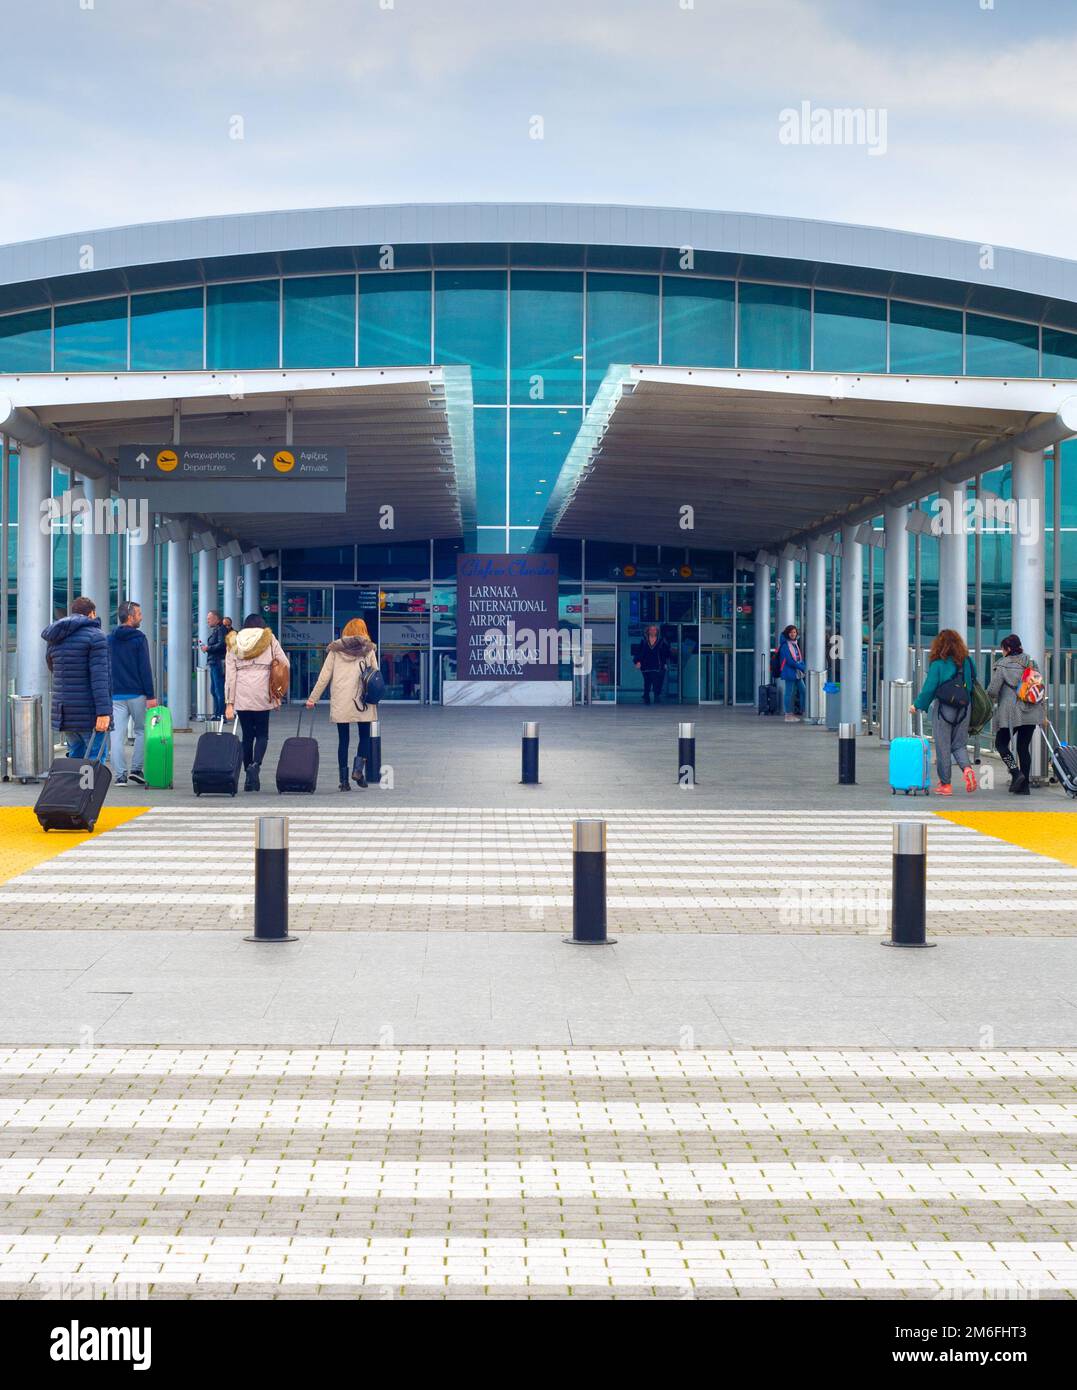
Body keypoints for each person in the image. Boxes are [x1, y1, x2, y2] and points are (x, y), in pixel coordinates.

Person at [305, 618, 380, 790]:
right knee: (364, 736)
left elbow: (324, 676)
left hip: (341, 699)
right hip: (362, 699)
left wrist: (312, 699)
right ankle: (358, 770)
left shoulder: (335, 650)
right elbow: (376, 676)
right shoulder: (368, 650)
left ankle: (344, 781)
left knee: (343, 739)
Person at [224, 614, 289, 791]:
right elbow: (284, 662)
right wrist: (277, 688)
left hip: (242, 692)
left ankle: (248, 777)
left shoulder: (234, 641)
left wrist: (229, 702)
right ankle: (256, 766)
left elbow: (230, 675)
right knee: (262, 734)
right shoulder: (268, 638)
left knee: (247, 736)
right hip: (262, 691)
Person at [41, 596, 112, 759]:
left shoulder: (55, 637)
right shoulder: (96, 636)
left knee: (75, 757)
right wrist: (103, 712)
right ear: (92, 614)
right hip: (89, 712)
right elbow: (100, 678)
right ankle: (90, 786)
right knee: (94, 758)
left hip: (65, 711)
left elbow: (52, 666)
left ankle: (74, 785)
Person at [911, 628, 978, 796]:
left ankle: (946, 785)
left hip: (945, 708)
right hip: (965, 706)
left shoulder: (938, 664)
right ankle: (967, 769)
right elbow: (974, 680)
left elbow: (929, 688)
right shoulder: (968, 662)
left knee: (943, 746)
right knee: (959, 744)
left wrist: (917, 705)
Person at [987, 633, 1045, 796]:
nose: (1002, 652)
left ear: (1007, 649)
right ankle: (1024, 786)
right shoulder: (1031, 663)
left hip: (1010, 712)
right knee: (1023, 747)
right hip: (1031, 710)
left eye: (1003, 649)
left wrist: (987, 698)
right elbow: (1038, 685)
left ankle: (1015, 772)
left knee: (1001, 744)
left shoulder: (1002, 665)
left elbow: (992, 690)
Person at [107, 600, 157, 785]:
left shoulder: (109, 639)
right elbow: (145, 668)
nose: (141, 617)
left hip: (115, 695)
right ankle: (136, 769)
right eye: (139, 614)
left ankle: (120, 775)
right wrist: (150, 695)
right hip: (137, 693)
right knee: (141, 731)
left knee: (116, 735)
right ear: (130, 617)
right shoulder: (139, 638)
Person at [632, 624, 671, 705]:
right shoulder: (644, 642)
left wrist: (665, 663)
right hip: (645, 665)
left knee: (656, 681)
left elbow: (666, 653)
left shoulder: (661, 641)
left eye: (654, 630)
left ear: (657, 631)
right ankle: (646, 696)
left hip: (657, 665)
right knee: (647, 682)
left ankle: (656, 695)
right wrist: (637, 662)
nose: (653, 631)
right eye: (651, 629)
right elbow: (639, 653)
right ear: (648, 631)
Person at [777, 623, 806, 722]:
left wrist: (802, 666)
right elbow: (789, 660)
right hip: (790, 672)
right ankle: (788, 715)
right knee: (789, 693)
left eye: (794, 632)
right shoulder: (785, 645)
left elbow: (798, 658)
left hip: (797, 672)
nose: (793, 634)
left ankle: (803, 710)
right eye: (791, 632)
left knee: (804, 691)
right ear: (787, 633)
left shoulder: (794, 644)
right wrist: (802, 667)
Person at [201, 609, 227, 720]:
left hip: (217, 662)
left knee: (219, 689)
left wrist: (208, 648)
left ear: (216, 619)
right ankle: (217, 713)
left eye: (209, 619)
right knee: (214, 690)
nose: (207, 621)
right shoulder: (217, 630)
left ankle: (221, 715)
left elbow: (222, 645)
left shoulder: (221, 629)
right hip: (214, 662)